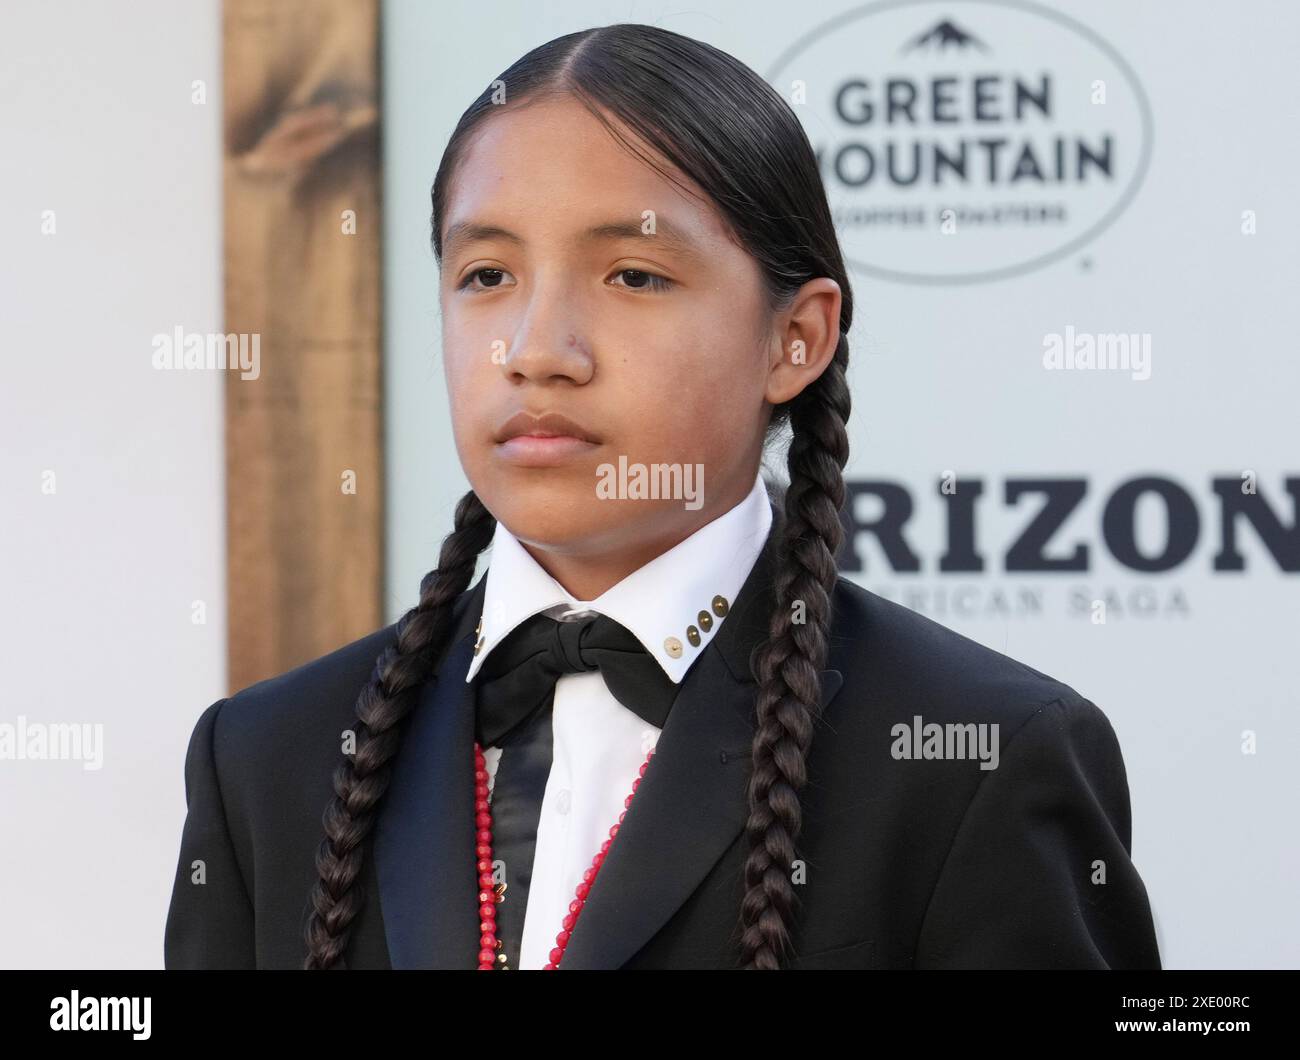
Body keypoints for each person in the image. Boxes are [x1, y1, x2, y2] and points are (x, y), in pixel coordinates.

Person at [164, 23, 1160, 970]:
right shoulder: (267, 757)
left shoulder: (977, 758)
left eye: (632, 274)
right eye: (486, 274)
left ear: (795, 339)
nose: (537, 350)